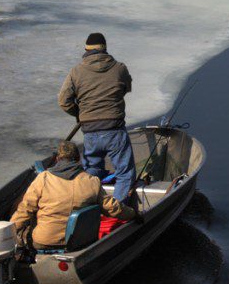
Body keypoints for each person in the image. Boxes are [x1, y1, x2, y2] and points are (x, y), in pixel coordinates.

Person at [11, 140, 134, 249]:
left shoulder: (43, 178)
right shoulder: (91, 180)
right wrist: (133, 214)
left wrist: (10, 231)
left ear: (58, 159)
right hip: (79, 241)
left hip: (45, 241)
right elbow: (112, 208)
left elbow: (25, 209)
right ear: (78, 159)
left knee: (26, 227)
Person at [57, 32, 136, 202]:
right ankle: (118, 209)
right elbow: (126, 88)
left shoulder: (76, 72)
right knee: (124, 173)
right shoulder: (120, 68)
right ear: (105, 49)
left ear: (86, 50)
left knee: (92, 171)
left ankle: (89, 206)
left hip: (90, 131)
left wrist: (80, 114)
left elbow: (64, 101)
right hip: (114, 129)